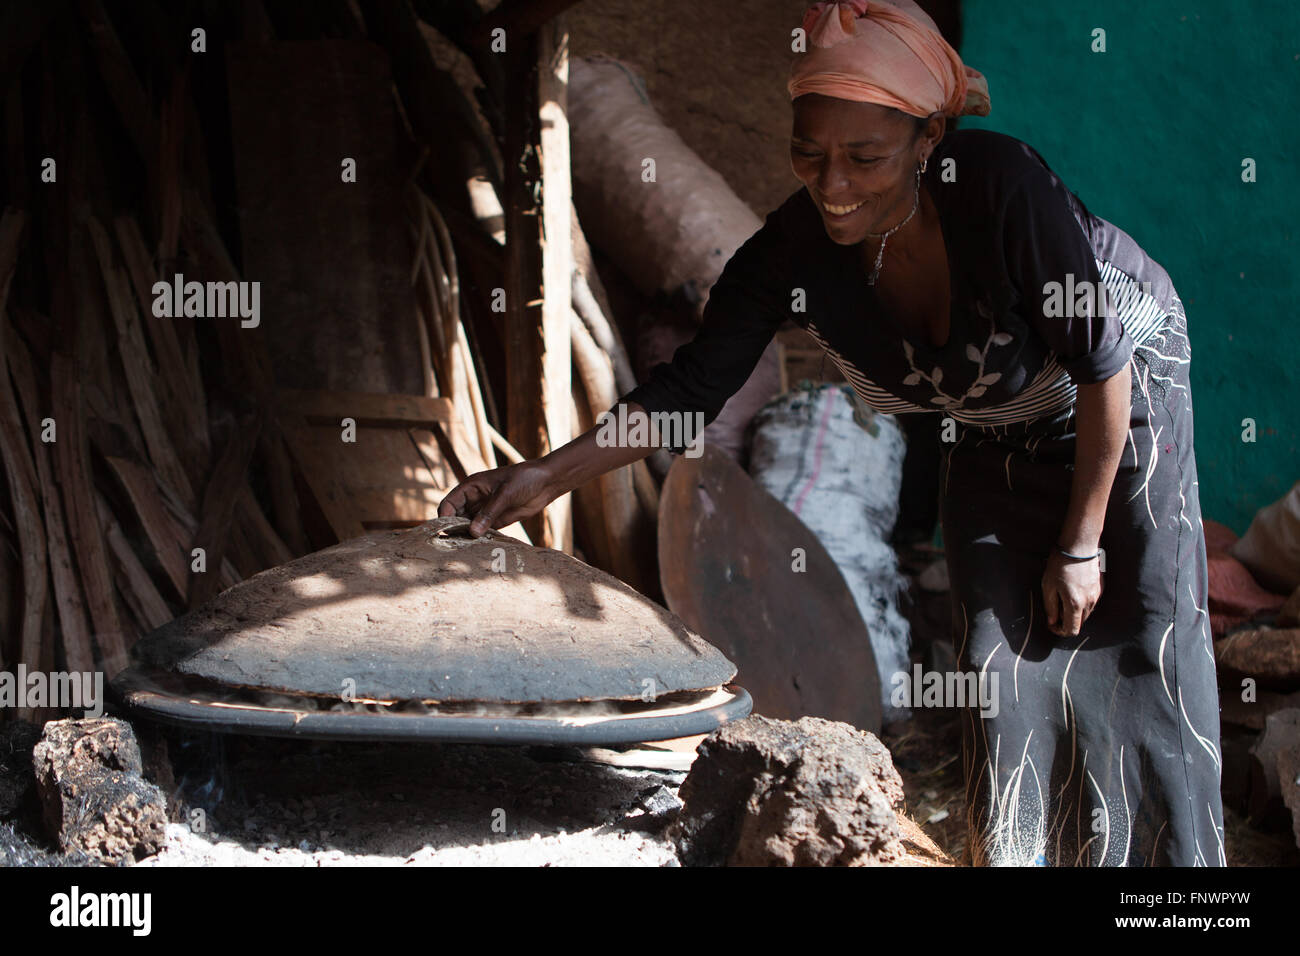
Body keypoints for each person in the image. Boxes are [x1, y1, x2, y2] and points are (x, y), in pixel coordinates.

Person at [439, 0, 1224, 867]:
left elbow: (1103, 364)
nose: (833, 184)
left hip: (1121, 396)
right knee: (999, 661)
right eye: (808, 154)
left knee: (1134, 645)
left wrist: (1079, 545)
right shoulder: (792, 249)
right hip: (996, 431)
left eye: (864, 157)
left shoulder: (1000, 187)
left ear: (929, 140)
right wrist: (543, 478)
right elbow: (692, 388)